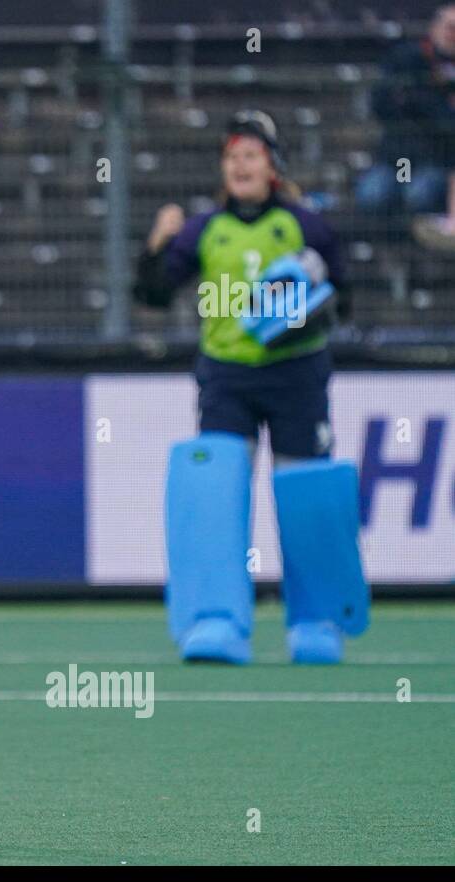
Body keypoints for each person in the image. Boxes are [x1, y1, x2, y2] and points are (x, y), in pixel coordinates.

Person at [134, 110, 369, 665]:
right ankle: (216, 620)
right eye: (232, 156)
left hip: (297, 375)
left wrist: (311, 304)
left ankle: (315, 622)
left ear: (272, 166)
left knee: (306, 491)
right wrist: (155, 244)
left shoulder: (305, 225)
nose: (240, 165)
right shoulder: (203, 229)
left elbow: (346, 297)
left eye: (251, 155)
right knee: (216, 490)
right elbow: (153, 294)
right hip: (227, 375)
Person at [355, 3, 455, 242]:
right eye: (449, 26)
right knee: (371, 194)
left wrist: (417, 100)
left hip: (437, 162)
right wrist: (428, 100)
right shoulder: (407, 57)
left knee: (419, 195)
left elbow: (445, 122)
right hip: (395, 158)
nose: (452, 34)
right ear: (434, 27)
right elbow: (382, 103)